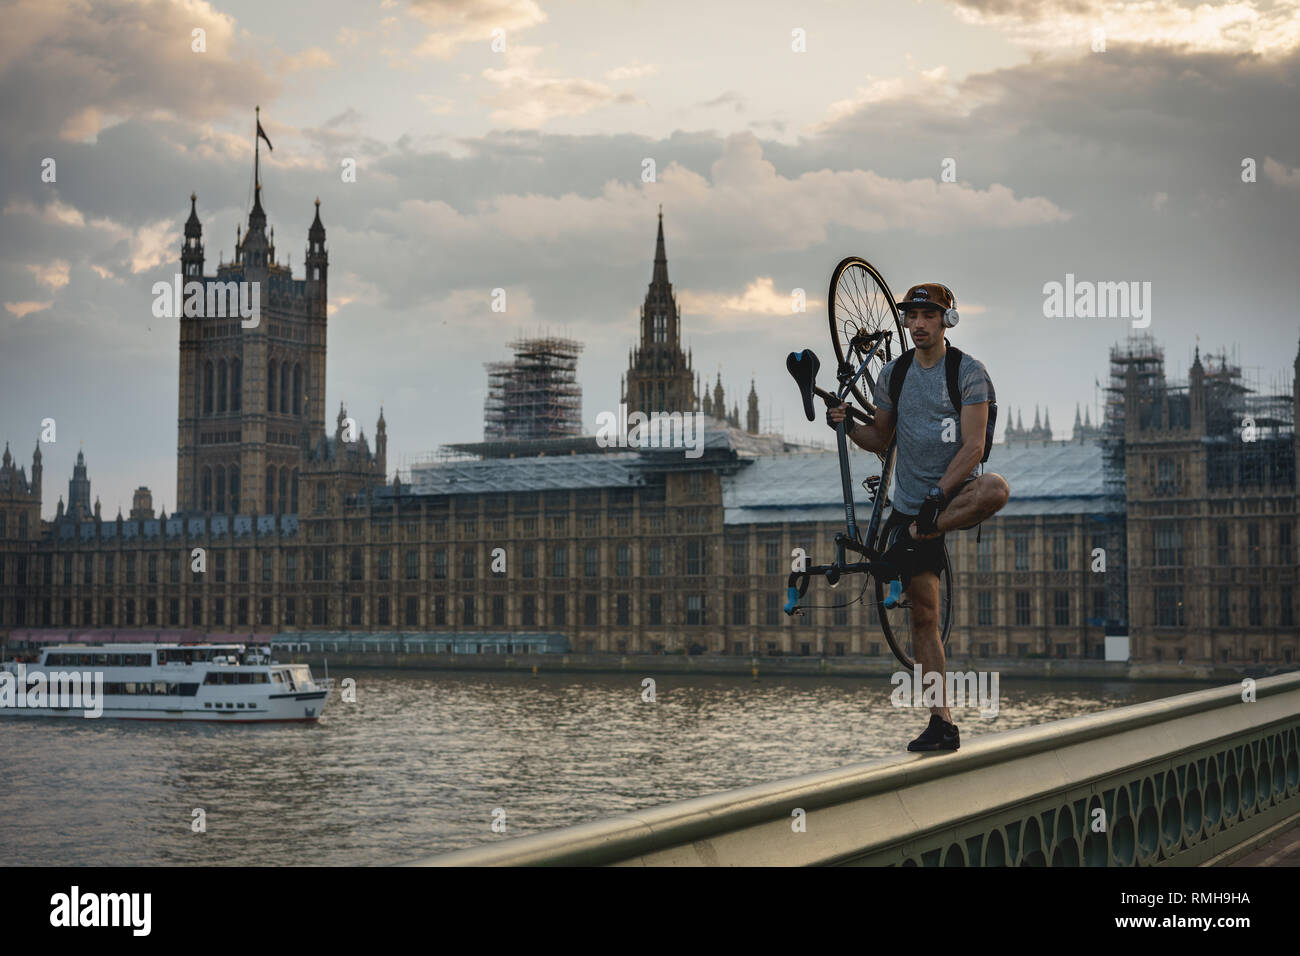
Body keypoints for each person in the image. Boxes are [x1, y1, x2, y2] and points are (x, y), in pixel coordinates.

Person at [827, 282, 1010, 753]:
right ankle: (941, 720)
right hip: (909, 505)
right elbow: (881, 438)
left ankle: (917, 533)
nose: (918, 325)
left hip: (951, 497)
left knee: (997, 489)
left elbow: (974, 447)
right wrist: (847, 424)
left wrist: (938, 496)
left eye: (928, 316)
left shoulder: (969, 373)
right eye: (911, 316)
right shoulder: (895, 374)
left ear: (946, 320)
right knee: (924, 616)